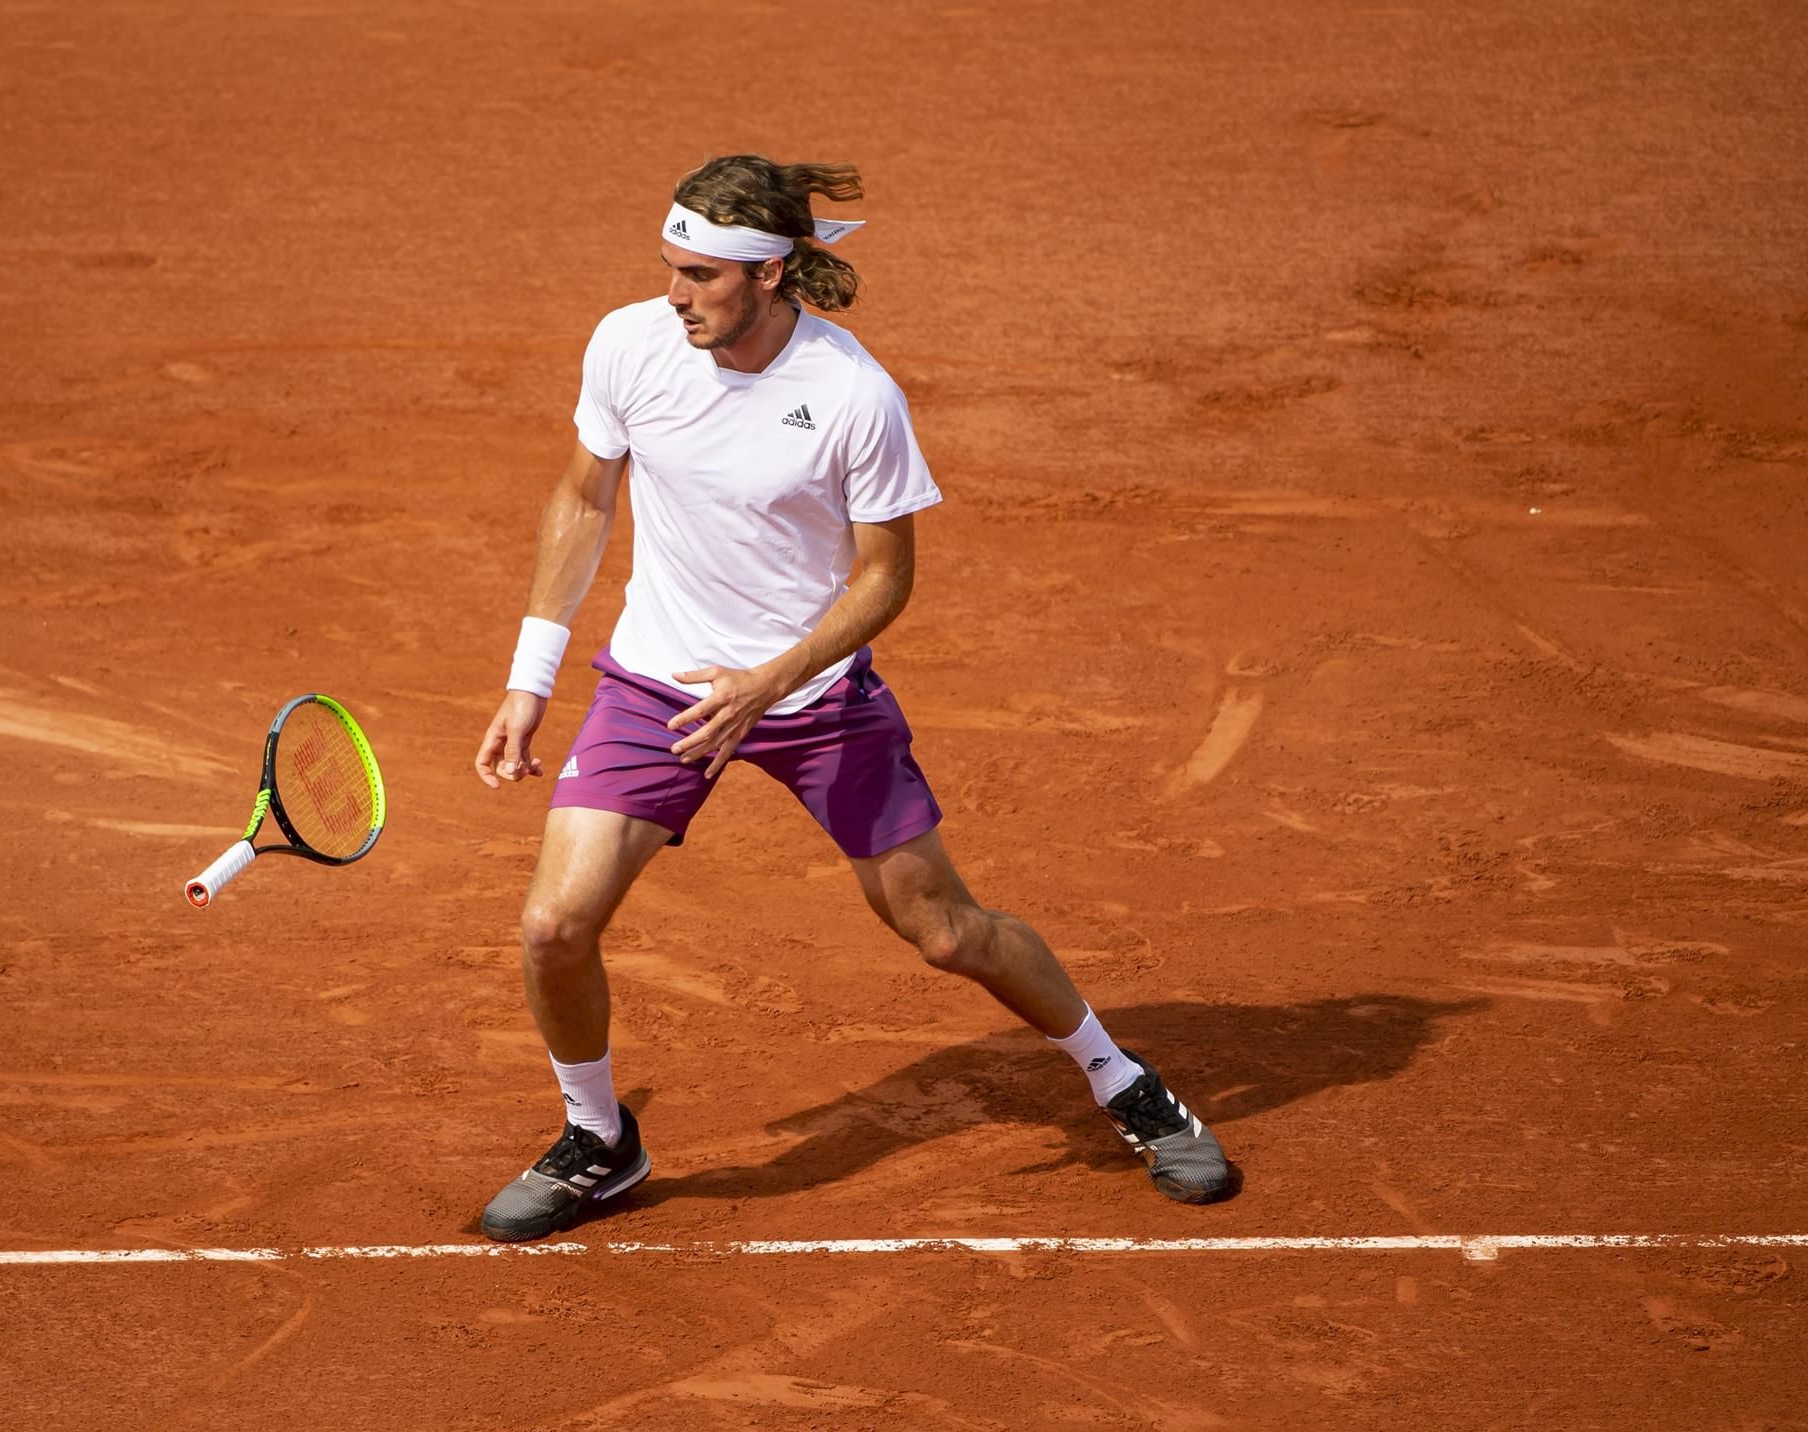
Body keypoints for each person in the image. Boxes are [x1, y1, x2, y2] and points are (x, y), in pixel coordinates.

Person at [468, 155, 1234, 1243]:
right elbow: (586, 496)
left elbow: (885, 579)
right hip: (659, 682)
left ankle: (1123, 1080)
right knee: (553, 926)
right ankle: (598, 1138)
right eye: (669, 268)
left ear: (770, 273)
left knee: (947, 933)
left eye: (700, 275)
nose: (675, 294)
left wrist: (769, 682)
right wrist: (530, 676)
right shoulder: (629, 344)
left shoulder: (852, 397)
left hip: (814, 695)